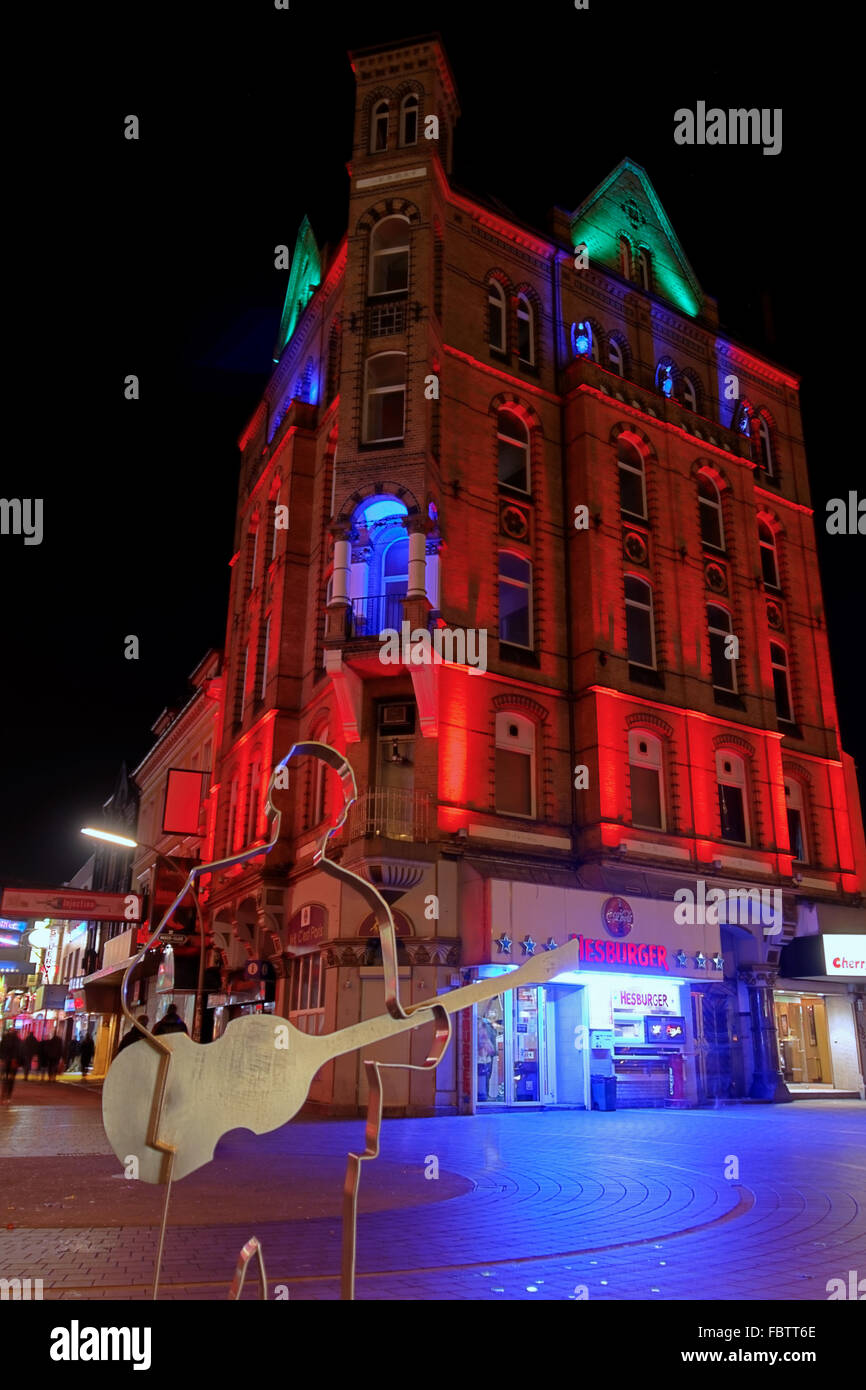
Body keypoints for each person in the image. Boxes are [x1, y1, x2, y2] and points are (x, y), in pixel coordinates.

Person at [1, 1030, 22, 1104]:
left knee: (5, 1078)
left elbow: (2, 1050)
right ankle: (8, 1097)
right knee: (11, 1080)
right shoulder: (18, 1040)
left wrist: (2, 1059)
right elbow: (19, 1052)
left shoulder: (5, 1039)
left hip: (6, 1061)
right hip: (14, 1063)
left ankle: (3, 1096)